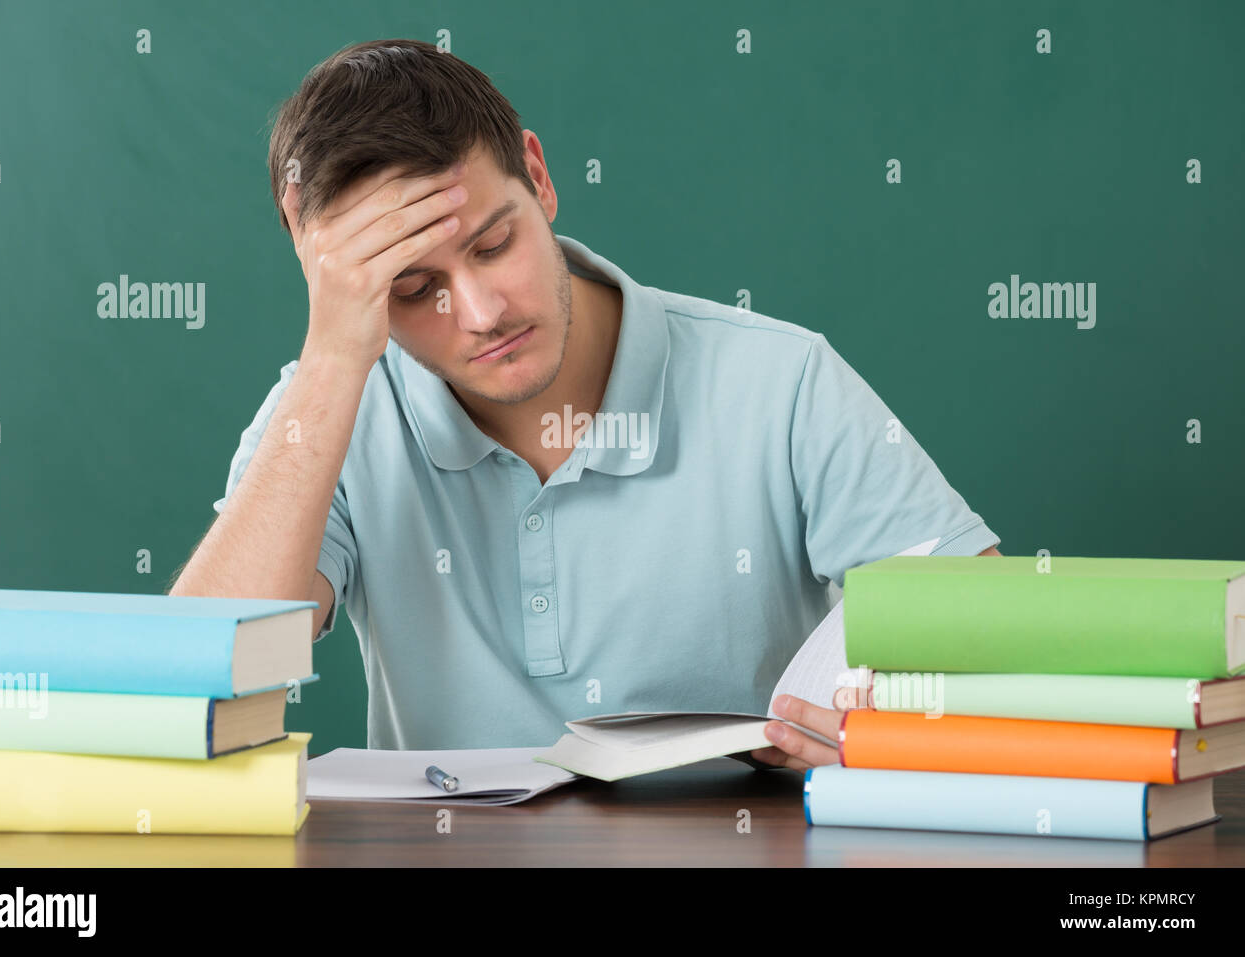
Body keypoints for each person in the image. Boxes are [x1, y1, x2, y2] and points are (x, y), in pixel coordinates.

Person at [169, 39, 1002, 769]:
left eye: (493, 245)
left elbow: (987, 644)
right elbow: (202, 678)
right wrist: (330, 359)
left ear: (538, 175)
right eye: (416, 289)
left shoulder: (781, 380)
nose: (483, 312)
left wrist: (873, 728)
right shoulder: (327, 411)